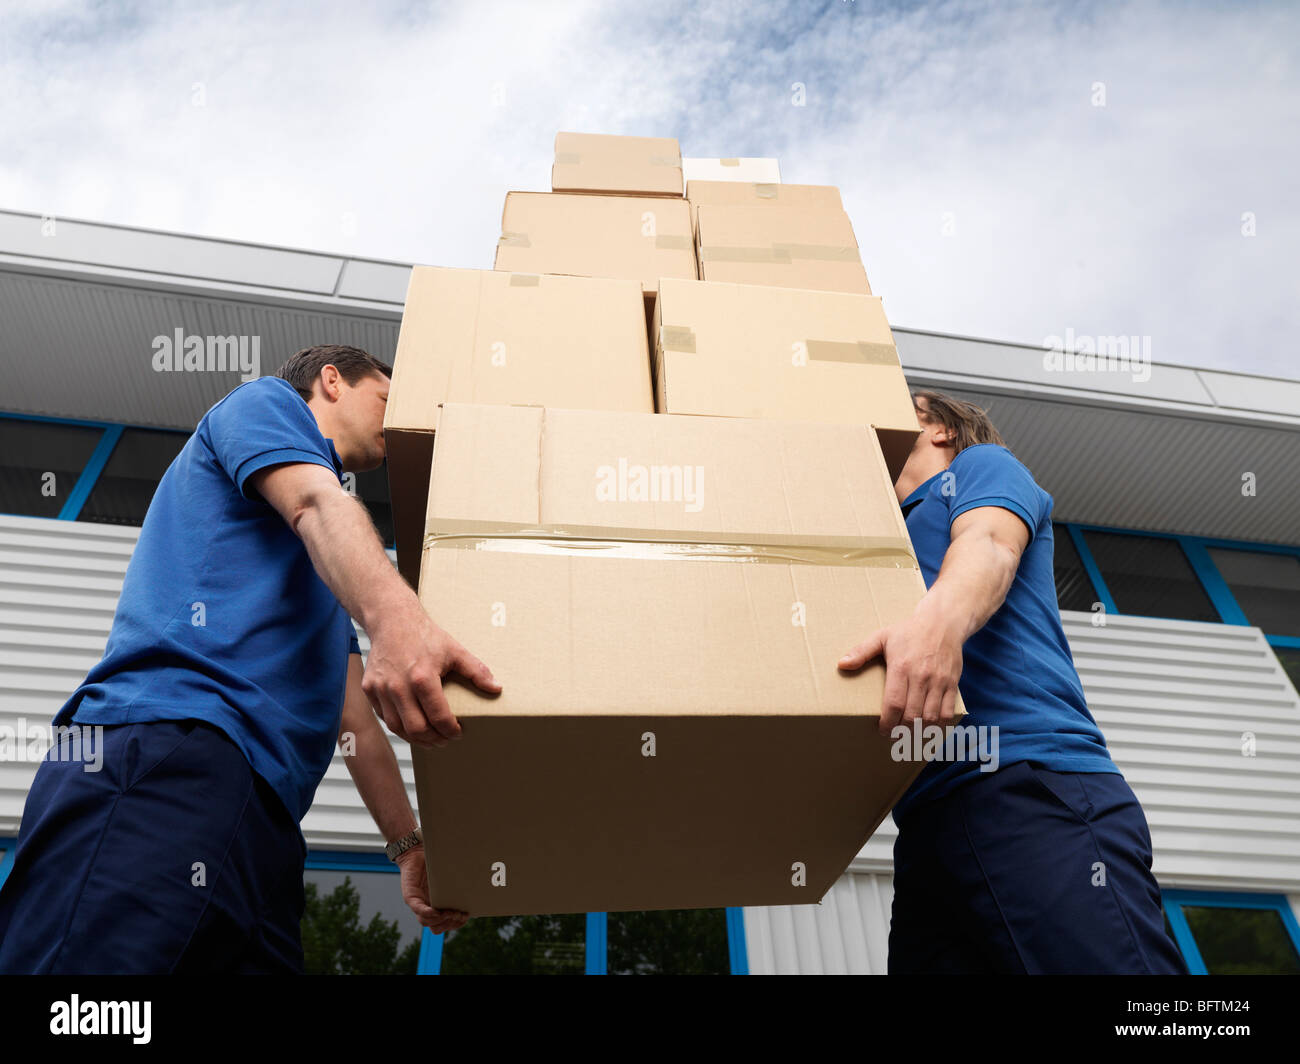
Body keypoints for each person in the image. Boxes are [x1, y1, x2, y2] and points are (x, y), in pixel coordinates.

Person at [0, 344, 498, 974]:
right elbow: (315, 503)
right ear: (332, 382)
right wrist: (399, 621)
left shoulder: (329, 566)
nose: (395, 420)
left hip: (263, 823)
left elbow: (354, 720)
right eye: (387, 397)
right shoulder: (266, 403)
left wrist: (407, 848)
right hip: (167, 752)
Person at [838, 390, 1187, 975]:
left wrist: (939, 629)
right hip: (924, 824)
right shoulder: (872, 536)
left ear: (941, 429)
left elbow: (991, 544)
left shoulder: (980, 468)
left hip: (1028, 784)